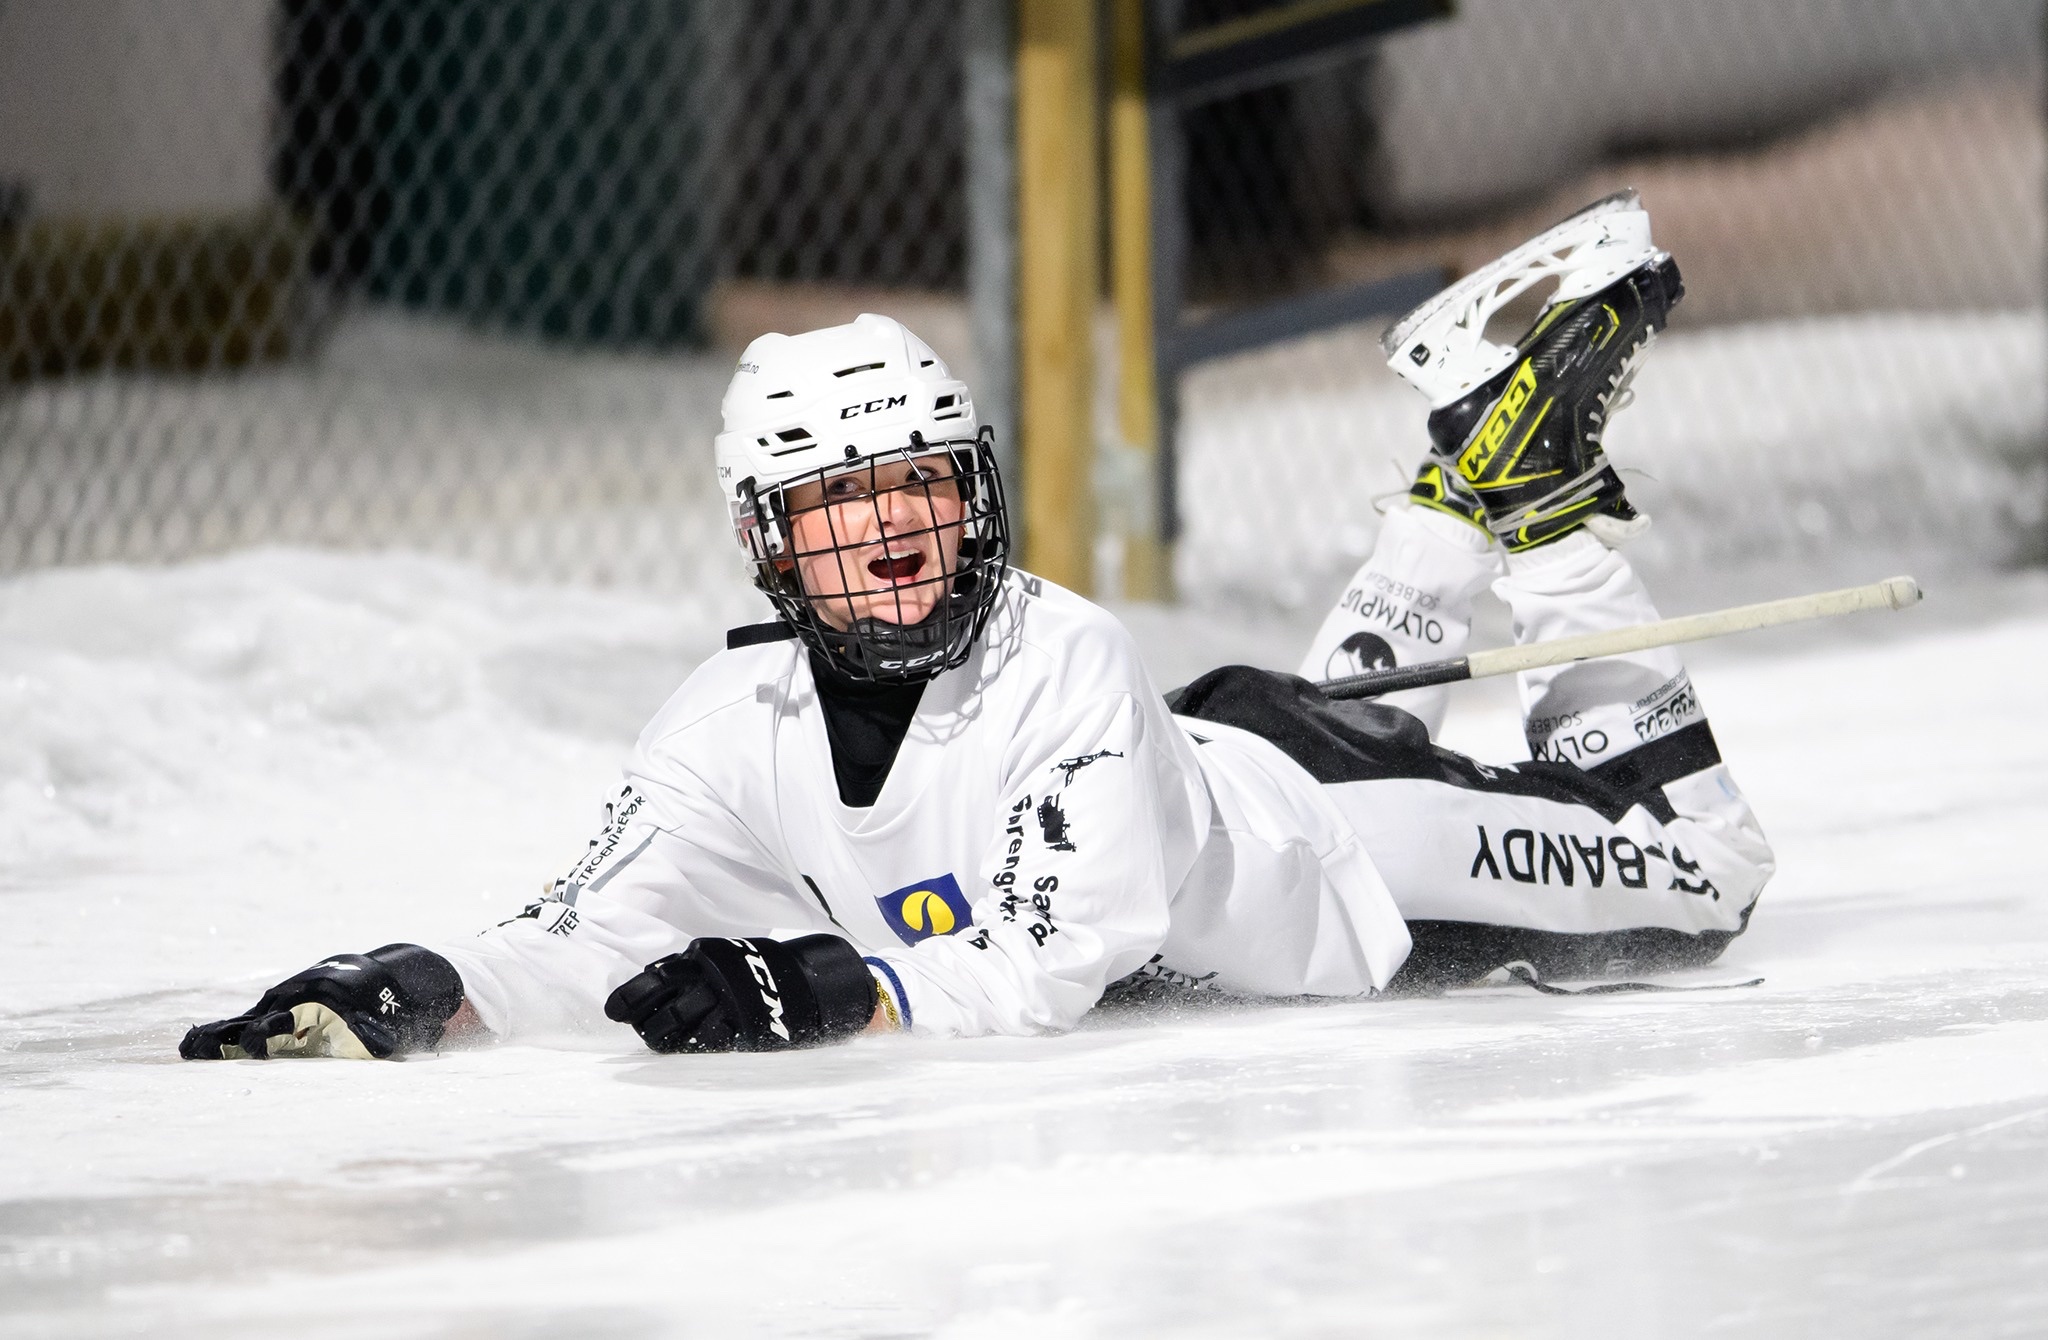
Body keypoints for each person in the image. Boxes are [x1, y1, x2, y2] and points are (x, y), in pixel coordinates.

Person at [180, 255, 1774, 1062]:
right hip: (1226, 757)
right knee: (1317, 727)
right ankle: (1442, 511)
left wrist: (824, 986)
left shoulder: (1061, 648)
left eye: (917, 488)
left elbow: (1054, 965)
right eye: (836, 508)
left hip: (1367, 866)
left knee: (1708, 871)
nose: (886, 536)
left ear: (972, 496)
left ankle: (1539, 503)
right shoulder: (724, 721)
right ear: (766, 544)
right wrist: (424, 989)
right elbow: (591, 932)